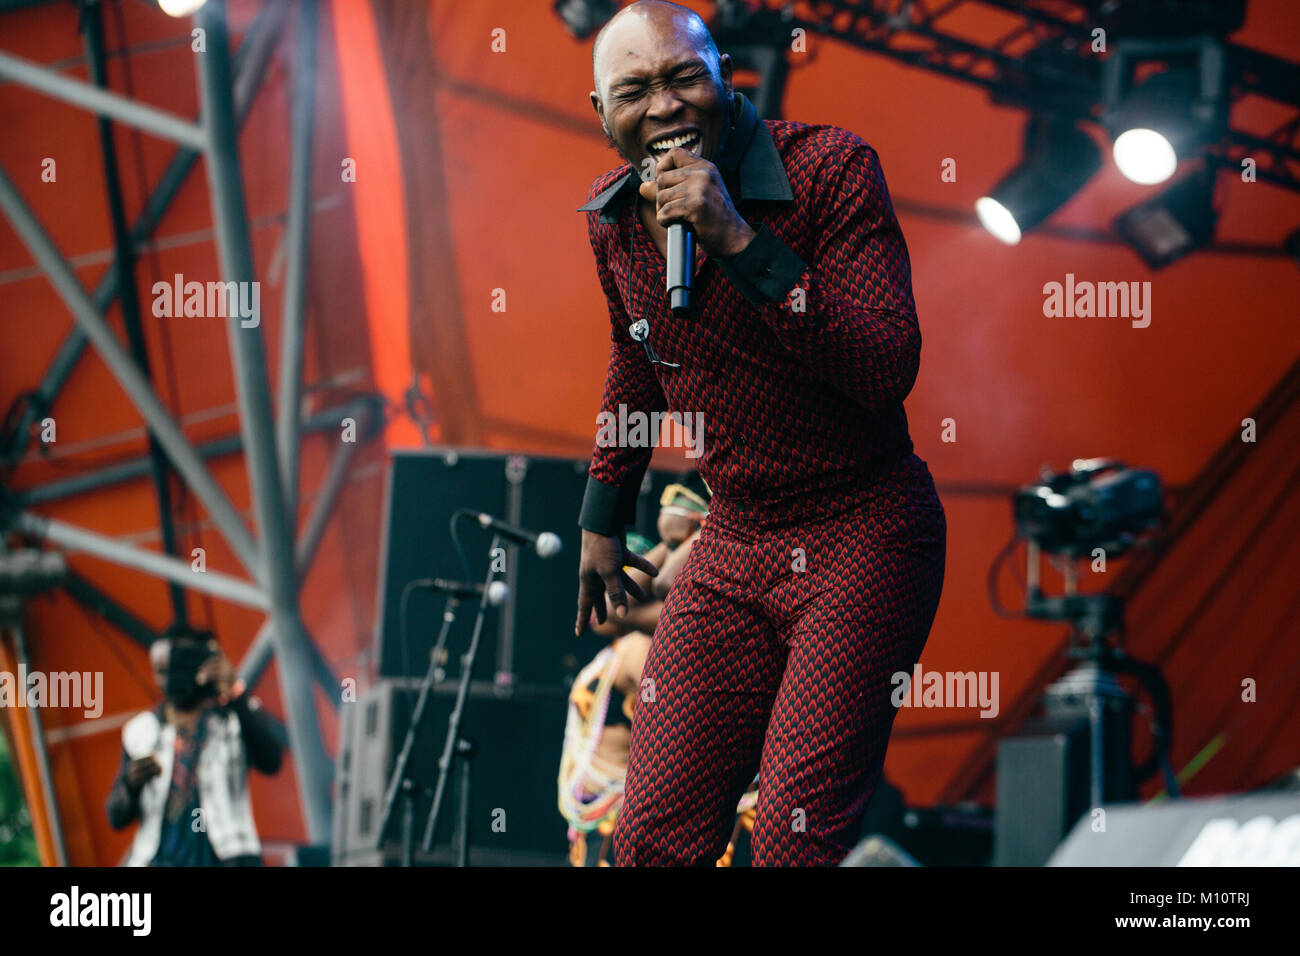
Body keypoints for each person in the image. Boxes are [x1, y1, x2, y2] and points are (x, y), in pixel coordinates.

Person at [573, 1, 946, 866]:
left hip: (863, 529)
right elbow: (638, 356)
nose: (665, 106)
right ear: (603, 117)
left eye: (683, 78)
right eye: (635, 91)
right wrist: (603, 506)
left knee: (791, 843)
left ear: (726, 76)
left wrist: (738, 240)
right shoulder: (616, 219)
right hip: (735, 537)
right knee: (650, 841)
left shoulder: (831, 169)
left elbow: (887, 364)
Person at [105, 629, 283, 866]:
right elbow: (115, 818)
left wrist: (233, 689)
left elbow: (271, 761)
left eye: (177, 666)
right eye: (160, 671)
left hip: (227, 858)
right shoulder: (141, 731)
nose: (168, 678)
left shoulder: (232, 718)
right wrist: (130, 786)